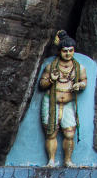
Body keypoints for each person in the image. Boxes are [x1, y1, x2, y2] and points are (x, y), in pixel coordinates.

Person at [37, 30, 87, 167]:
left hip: (68, 103)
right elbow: (42, 84)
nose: (68, 54)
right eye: (65, 51)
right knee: (51, 133)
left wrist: (79, 85)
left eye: (71, 51)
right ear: (60, 51)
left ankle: (68, 161)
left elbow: (84, 81)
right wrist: (51, 80)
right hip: (51, 101)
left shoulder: (79, 68)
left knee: (69, 133)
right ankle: (51, 161)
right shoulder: (51, 66)